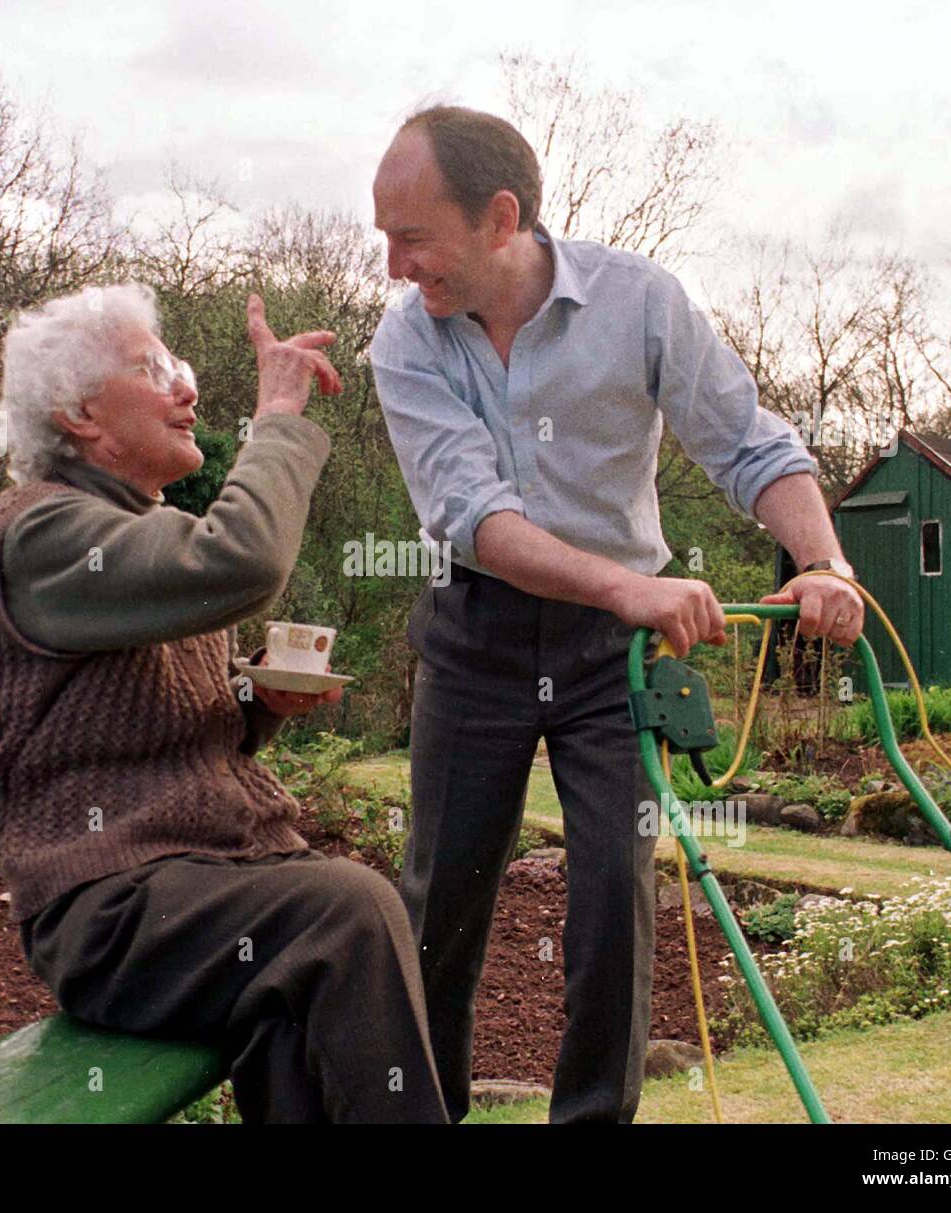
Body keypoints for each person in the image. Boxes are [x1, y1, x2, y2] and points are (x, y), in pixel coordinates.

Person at [369, 105, 864, 1124]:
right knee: (440, 904)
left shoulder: (639, 304)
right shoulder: (406, 340)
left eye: (410, 238)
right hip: (477, 637)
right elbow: (476, 518)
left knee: (611, 903)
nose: (391, 267)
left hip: (616, 659)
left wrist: (823, 561)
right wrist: (628, 585)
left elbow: (750, 445)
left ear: (498, 217)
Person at [0, 281, 447, 1123]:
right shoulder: (46, 534)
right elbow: (243, 561)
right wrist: (280, 415)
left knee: (299, 1007)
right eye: (154, 368)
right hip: (110, 913)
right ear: (80, 413)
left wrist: (253, 700)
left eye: (175, 364)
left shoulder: (128, 526)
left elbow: (147, 723)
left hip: (191, 886)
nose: (187, 389)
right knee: (348, 910)